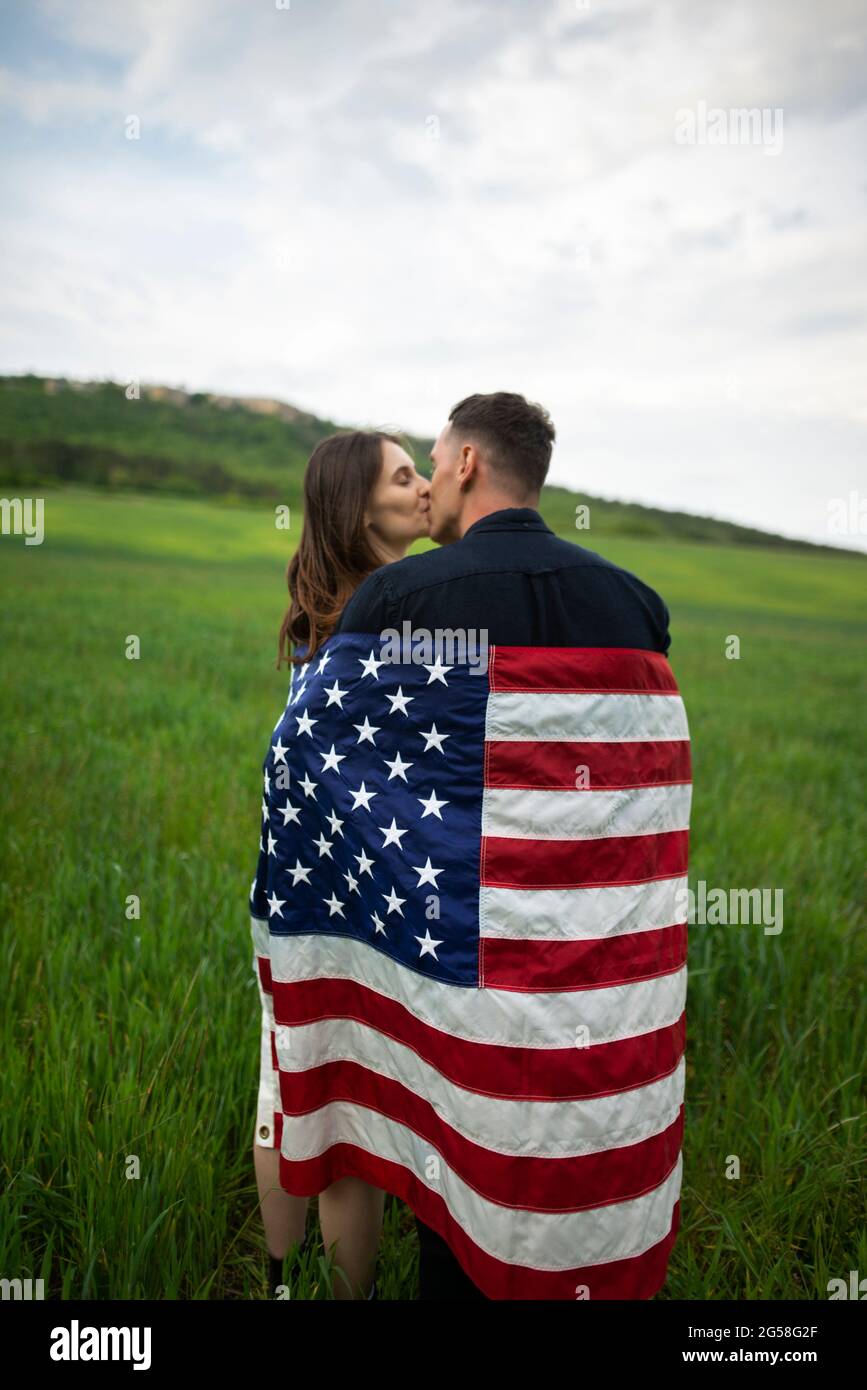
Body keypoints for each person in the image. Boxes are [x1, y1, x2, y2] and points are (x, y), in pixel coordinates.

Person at [332, 392, 684, 1299]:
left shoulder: (399, 598)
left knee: (456, 1170)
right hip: (594, 972)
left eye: (433, 460)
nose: (427, 485)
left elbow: (338, 780)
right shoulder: (635, 605)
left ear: (466, 465)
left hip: (454, 961)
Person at [251, 428, 431, 1300]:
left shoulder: (324, 610)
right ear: (361, 509)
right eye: (405, 477)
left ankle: (279, 1282)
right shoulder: (392, 621)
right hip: (346, 914)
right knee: (343, 1126)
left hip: (289, 894)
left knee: (284, 1092)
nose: (427, 485)